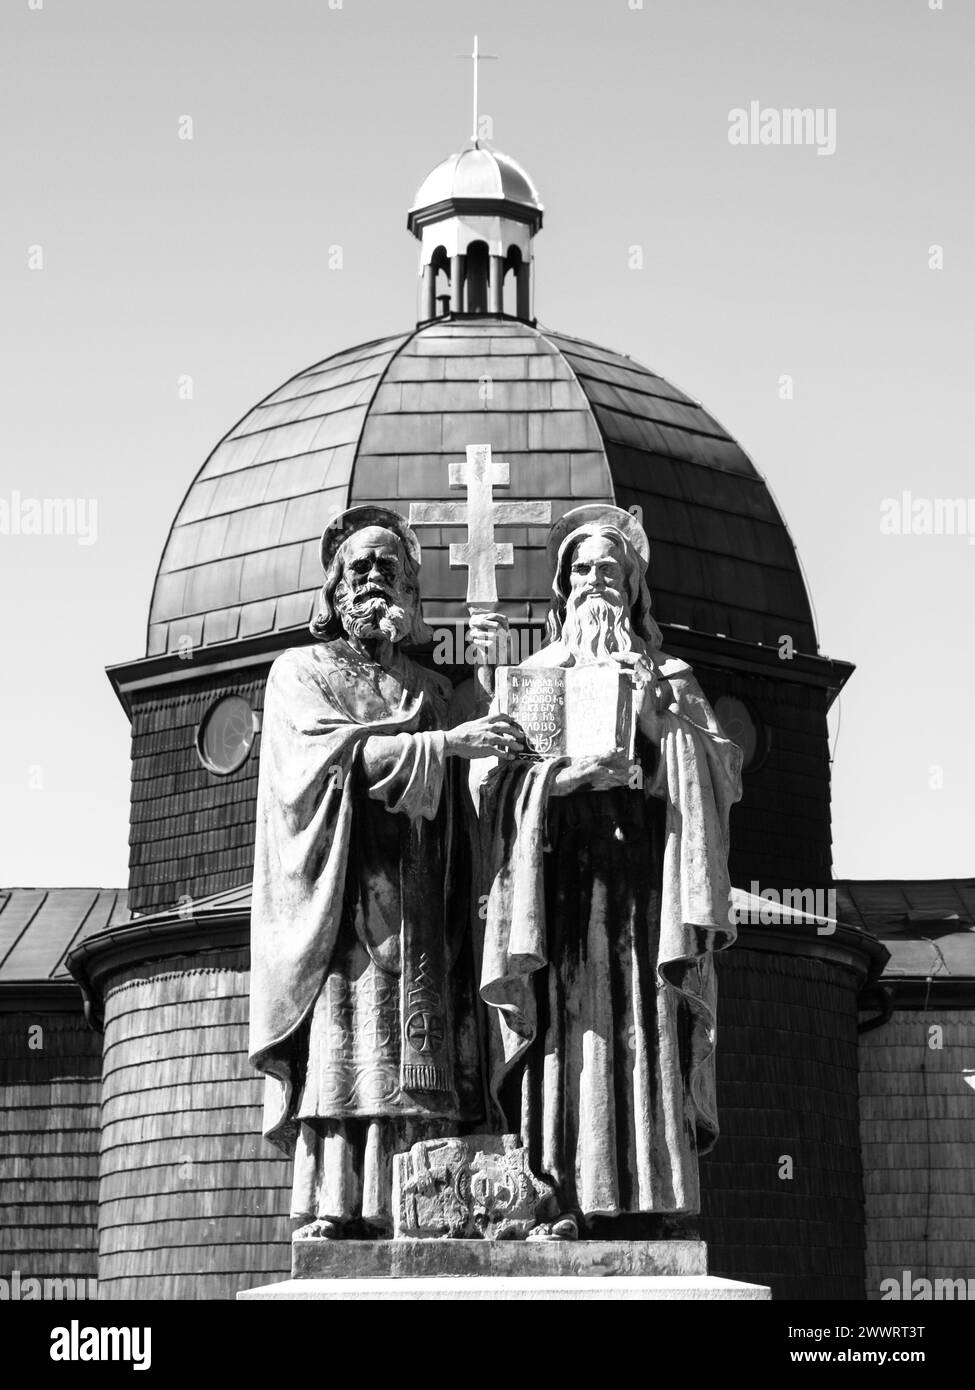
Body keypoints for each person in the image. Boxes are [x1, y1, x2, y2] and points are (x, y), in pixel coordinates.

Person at [248, 506, 524, 1237]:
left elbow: (478, 788)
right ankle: (344, 1204)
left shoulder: (434, 692)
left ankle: (435, 1200)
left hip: (427, 900)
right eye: (357, 567)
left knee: (430, 1048)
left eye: (388, 566)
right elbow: (330, 763)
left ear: (412, 589)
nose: (373, 578)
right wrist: (444, 746)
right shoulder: (300, 672)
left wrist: (486, 707)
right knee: (352, 1043)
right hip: (344, 898)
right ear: (333, 588)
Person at [472, 505, 743, 1237]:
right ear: (563, 586)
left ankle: (648, 1201)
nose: (598, 583)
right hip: (554, 884)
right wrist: (558, 779)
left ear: (633, 588)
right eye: (584, 570)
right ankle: (557, 1193)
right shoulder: (530, 678)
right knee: (567, 1034)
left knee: (642, 1024)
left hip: (642, 882)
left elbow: (723, 775)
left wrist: (662, 735)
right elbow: (489, 790)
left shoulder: (668, 675)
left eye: (612, 571)